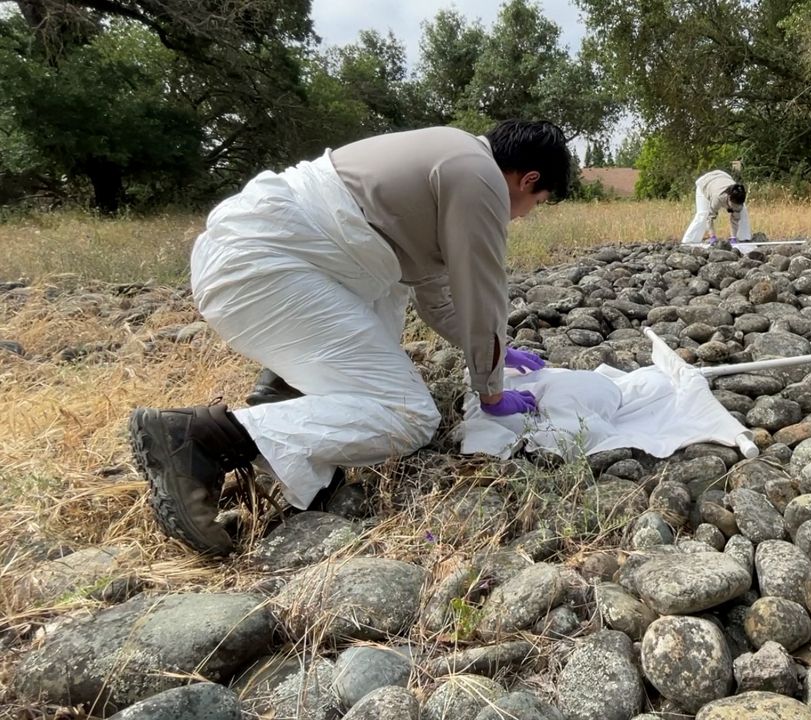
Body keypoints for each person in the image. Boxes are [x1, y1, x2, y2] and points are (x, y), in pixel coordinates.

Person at [128, 120, 570, 555]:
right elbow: (482, 292)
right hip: (265, 268)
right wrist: (491, 393)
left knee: (391, 289)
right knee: (410, 416)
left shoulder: (451, 158)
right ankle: (205, 438)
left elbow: (438, 303)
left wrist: (498, 352)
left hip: (258, 256)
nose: (523, 214)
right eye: (537, 202)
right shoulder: (480, 176)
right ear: (528, 179)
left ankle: (289, 394)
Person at [681, 170, 750, 244]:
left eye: (737, 205)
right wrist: (712, 236)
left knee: (743, 211)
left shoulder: (739, 201)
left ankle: (744, 238)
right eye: (733, 205)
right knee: (703, 214)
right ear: (729, 198)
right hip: (705, 183)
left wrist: (733, 237)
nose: (734, 207)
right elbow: (710, 218)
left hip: (723, 176)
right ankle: (689, 240)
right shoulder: (717, 198)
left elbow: (735, 219)